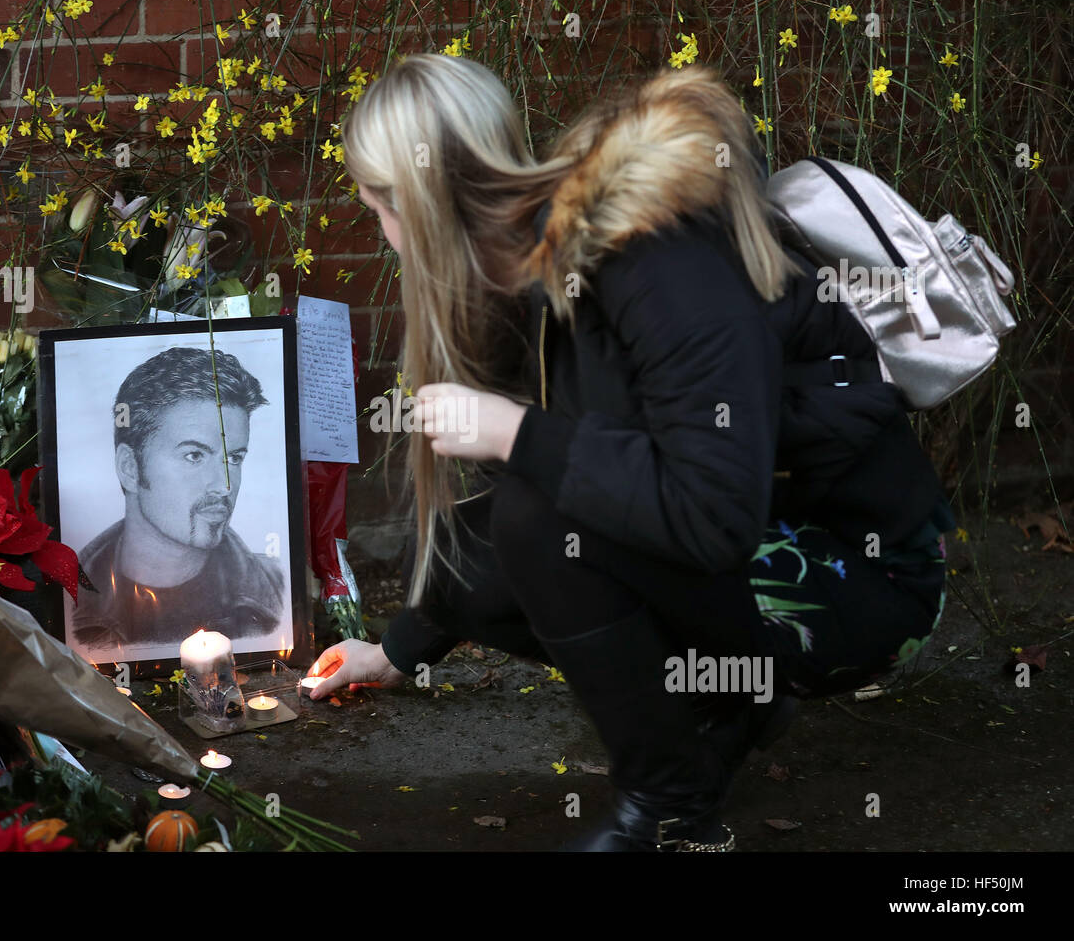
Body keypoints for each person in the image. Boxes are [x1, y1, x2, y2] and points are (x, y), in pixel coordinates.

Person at [306, 54, 956, 851]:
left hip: (857, 572)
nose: (385, 237)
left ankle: (672, 809)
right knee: (466, 551)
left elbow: (711, 515)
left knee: (535, 520)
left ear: (418, 202)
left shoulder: (660, 263)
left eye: (379, 208)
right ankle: (736, 695)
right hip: (746, 547)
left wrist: (516, 432)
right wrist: (394, 652)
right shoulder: (527, 271)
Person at [71, 346, 287, 653]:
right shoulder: (66, 598)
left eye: (234, 458)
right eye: (194, 455)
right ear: (130, 468)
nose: (224, 486)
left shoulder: (276, 597)